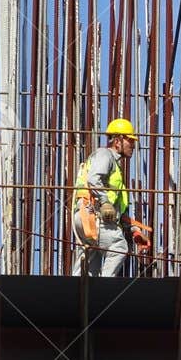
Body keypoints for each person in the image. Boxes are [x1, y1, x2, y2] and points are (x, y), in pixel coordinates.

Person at [72, 118, 150, 276]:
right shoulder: (105, 155)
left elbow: (117, 210)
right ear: (118, 141)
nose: (133, 145)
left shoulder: (115, 168)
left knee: (90, 267)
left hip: (89, 216)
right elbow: (94, 179)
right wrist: (105, 202)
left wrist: (134, 231)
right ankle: (104, 287)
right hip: (92, 215)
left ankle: (78, 289)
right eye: (130, 140)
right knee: (118, 247)